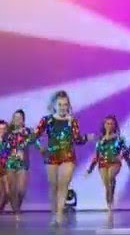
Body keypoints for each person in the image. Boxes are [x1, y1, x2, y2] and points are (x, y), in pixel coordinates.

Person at [25, 91, 89, 224]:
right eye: (60, 104)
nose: (62, 107)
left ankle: (59, 214)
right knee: (53, 186)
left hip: (68, 156)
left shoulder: (72, 121)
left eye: (65, 105)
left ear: (68, 106)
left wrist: (86, 138)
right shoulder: (47, 120)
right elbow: (35, 136)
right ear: (54, 105)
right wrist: (28, 139)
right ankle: (54, 213)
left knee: (63, 185)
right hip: (52, 156)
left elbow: (77, 139)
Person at [87, 115, 130, 213]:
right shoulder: (100, 140)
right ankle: (109, 205)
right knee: (107, 184)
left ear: (115, 126)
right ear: (104, 125)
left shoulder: (119, 139)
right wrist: (90, 169)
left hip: (115, 162)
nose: (109, 126)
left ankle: (110, 202)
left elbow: (126, 152)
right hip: (102, 163)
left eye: (112, 124)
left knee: (110, 177)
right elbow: (96, 155)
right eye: (107, 124)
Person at [3, 109, 36, 216]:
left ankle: (17, 208)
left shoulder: (27, 132)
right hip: (10, 163)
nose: (17, 120)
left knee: (21, 190)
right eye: (15, 117)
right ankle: (16, 212)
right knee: (12, 189)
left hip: (22, 163)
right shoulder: (7, 133)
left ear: (23, 120)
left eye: (19, 118)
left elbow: (35, 140)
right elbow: (3, 148)